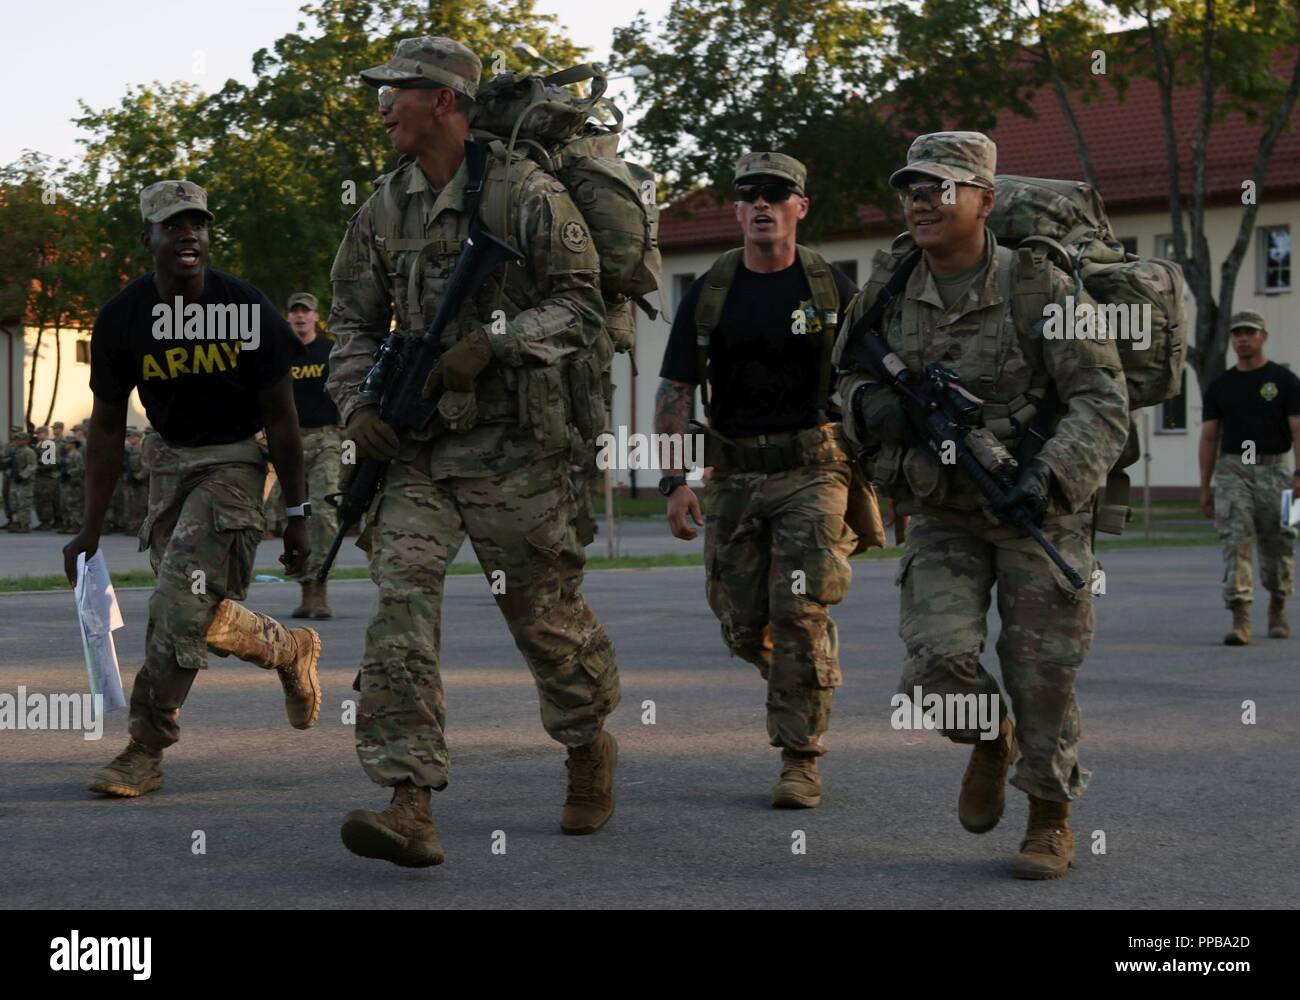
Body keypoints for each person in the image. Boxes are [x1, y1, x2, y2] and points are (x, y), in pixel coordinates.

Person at [328, 36, 619, 867]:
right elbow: (350, 323)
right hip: (417, 451)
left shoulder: (525, 193)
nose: (383, 104)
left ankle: (587, 740)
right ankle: (408, 800)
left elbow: (581, 306)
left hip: (513, 448)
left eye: (399, 90)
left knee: (543, 621)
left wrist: (494, 343)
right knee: (399, 608)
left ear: (446, 100)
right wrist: (356, 408)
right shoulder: (382, 206)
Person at [833, 131, 1129, 879]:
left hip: (1039, 510)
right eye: (913, 189)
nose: (923, 201)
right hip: (943, 512)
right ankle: (988, 738)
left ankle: (1049, 815)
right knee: (935, 668)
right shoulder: (889, 289)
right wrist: (874, 408)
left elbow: (1102, 400)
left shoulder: (1040, 289)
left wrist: (1052, 475)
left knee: (1044, 676)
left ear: (985, 201)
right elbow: (841, 380)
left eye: (942, 187)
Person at [63, 178, 322, 799]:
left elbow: (283, 419)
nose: (189, 235)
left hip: (235, 462)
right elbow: (103, 429)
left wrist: (296, 511)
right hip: (168, 464)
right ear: (147, 237)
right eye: (174, 225)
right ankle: (289, 649)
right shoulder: (124, 318)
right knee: (197, 611)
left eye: (198, 224)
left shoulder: (246, 308)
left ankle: (144, 748)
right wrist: (89, 530)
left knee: (177, 604)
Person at [657, 151, 861, 808]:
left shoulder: (832, 288)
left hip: (815, 469)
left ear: (801, 207)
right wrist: (675, 481)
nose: (763, 205)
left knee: (797, 612)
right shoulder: (710, 290)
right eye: (751, 196)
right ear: (738, 209)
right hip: (734, 472)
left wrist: (888, 476)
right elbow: (676, 389)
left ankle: (800, 757)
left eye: (778, 194)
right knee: (742, 624)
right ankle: (808, 678)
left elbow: (871, 386)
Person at [1198, 310, 1300, 644]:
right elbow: (1209, 436)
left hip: (1276, 470)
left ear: (1263, 337)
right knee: (1235, 542)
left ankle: (1278, 607)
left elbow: (1298, 430)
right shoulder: (1221, 385)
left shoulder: (1285, 382)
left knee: (1280, 541)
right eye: (1237, 333)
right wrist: (1205, 486)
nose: (1243, 338)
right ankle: (1241, 619)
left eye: (1250, 332)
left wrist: (1299, 473)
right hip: (1233, 470)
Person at [285, 291, 342, 618]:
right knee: (295, 517)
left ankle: (320, 590)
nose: (300, 317)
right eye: (295, 312)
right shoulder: (280, 354)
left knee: (323, 514)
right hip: (289, 444)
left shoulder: (330, 351)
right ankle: (305, 590)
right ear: (288, 318)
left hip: (325, 440)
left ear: (315, 317)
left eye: (306, 311)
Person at [6, 430, 35, 532]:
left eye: (19, 439)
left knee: (24, 503)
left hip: (25, 482)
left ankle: (25, 525)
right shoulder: (16, 451)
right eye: (16, 439)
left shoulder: (29, 451)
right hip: (15, 480)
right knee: (14, 502)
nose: (17, 441)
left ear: (25, 440)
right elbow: (11, 464)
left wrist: (23, 475)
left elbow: (32, 466)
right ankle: (16, 522)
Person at [34, 426, 59, 530]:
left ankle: (47, 522)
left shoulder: (49, 445)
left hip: (47, 477)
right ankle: (43, 521)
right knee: (39, 500)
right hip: (39, 477)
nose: (38, 435)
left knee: (46, 500)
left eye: (40, 433)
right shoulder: (39, 445)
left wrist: (38, 466)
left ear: (46, 433)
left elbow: (50, 463)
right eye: (38, 433)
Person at [58, 437, 84, 533]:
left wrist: (69, 473)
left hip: (73, 484)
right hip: (66, 483)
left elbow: (81, 468)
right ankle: (67, 524)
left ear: (72, 444)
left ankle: (76, 525)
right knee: (65, 504)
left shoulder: (77, 455)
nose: (65, 445)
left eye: (67, 443)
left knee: (73, 505)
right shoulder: (67, 455)